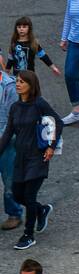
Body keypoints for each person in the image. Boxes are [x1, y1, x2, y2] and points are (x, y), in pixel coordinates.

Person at [0, 70, 62, 250]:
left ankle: (28, 235)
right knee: (17, 193)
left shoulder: (39, 105)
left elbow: (57, 122)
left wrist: (51, 146)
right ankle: (41, 210)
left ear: (30, 85)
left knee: (28, 195)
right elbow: (8, 134)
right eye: (17, 81)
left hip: (37, 157)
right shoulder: (15, 108)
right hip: (21, 158)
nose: (17, 84)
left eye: (22, 82)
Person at [0, 56, 23, 232]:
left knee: (10, 179)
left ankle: (14, 213)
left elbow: (12, 119)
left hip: (7, 140)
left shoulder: (9, 86)